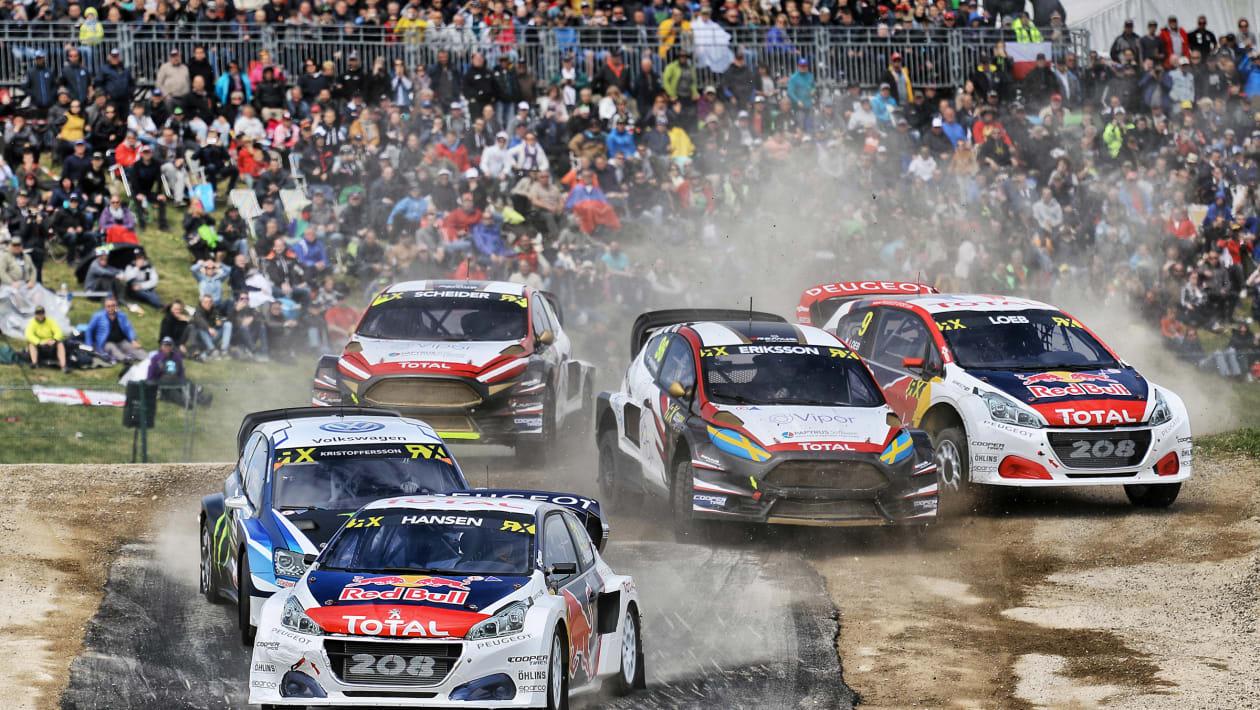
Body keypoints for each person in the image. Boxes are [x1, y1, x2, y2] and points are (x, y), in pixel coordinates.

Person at [83, 298, 144, 363]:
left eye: (113, 305)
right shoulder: (98, 316)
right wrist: (88, 345)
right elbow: (89, 330)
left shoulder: (122, 316)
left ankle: (147, 358)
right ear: (104, 307)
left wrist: (133, 340)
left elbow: (128, 328)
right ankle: (125, 359)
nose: (111, 308)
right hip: (105, 342)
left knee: (131, 348)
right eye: (108, 306)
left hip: (121, 341)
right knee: (113, 349)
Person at [24, 306, 69, 373]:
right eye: (38, 313)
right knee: (31, 344)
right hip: (39, 345)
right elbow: (28, 334)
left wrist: (54, 340)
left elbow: (59, 332)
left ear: (44, 313)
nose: (40, 315)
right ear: (35, 314)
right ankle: (34, 363)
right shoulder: (32, 323)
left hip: (51, 343)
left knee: (60, 344)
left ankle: (63, 366)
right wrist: (39, 342)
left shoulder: (50, 321)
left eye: (42, 313)